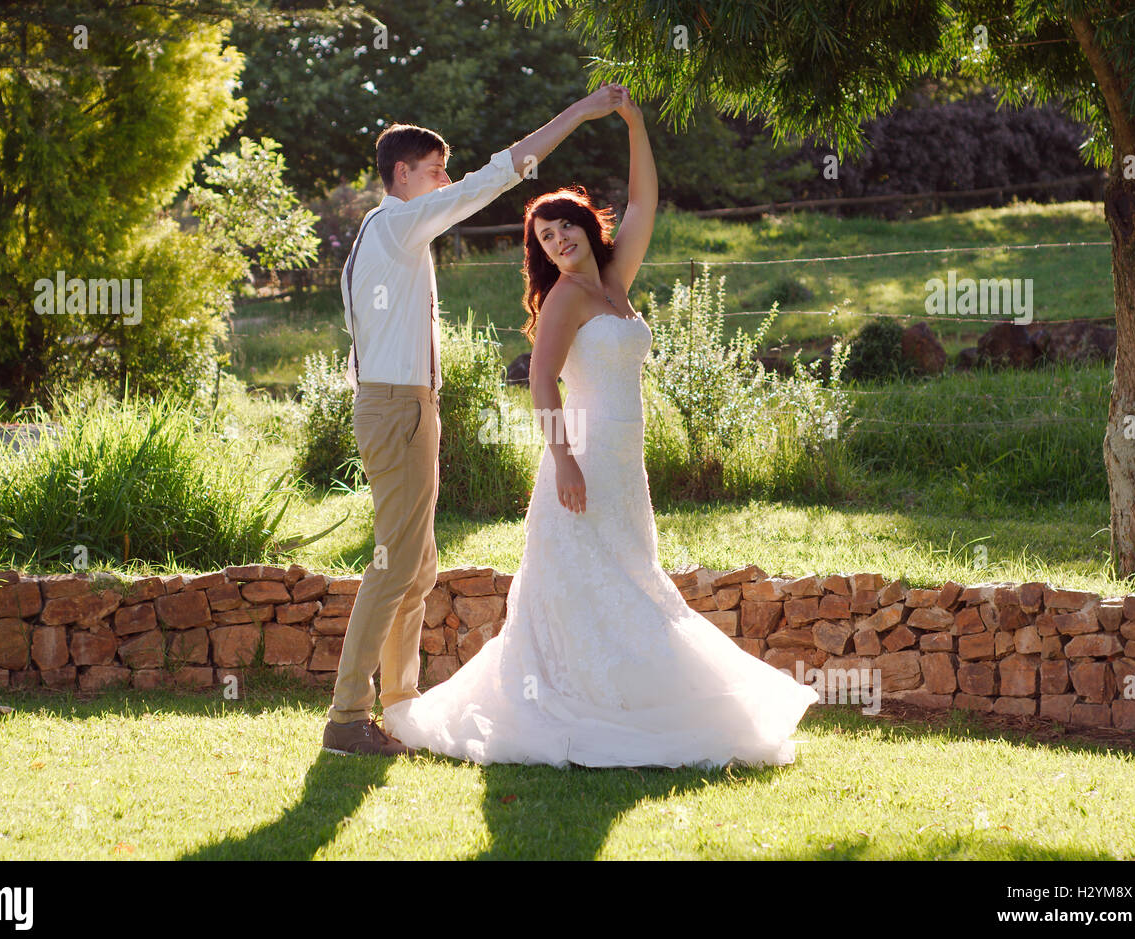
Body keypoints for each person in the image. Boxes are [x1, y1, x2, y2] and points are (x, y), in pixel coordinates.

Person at [381, 87, 820, 768]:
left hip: (623, 462)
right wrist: (563, 460)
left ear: (588, 227)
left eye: (564, 228)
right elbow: (539, 378)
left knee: (632, 576)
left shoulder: (616, 280)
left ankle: (628, 700)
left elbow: (645, 204)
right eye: (545, 239)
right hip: (580, 458)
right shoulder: (563, 299)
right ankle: (577, 704)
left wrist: (635, 122)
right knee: (583, 586)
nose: (557, 242)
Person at [322, 85, 628, 756]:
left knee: (418, 562)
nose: (446, 182)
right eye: (436, 171)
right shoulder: (398, 224)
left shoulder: (392, 235)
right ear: (403, 175)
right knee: (394, 560)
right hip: (395, 404)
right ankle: (347, 716)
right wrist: (578, 113)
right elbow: (498, 175)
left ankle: (399, 705)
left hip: (403, 403)